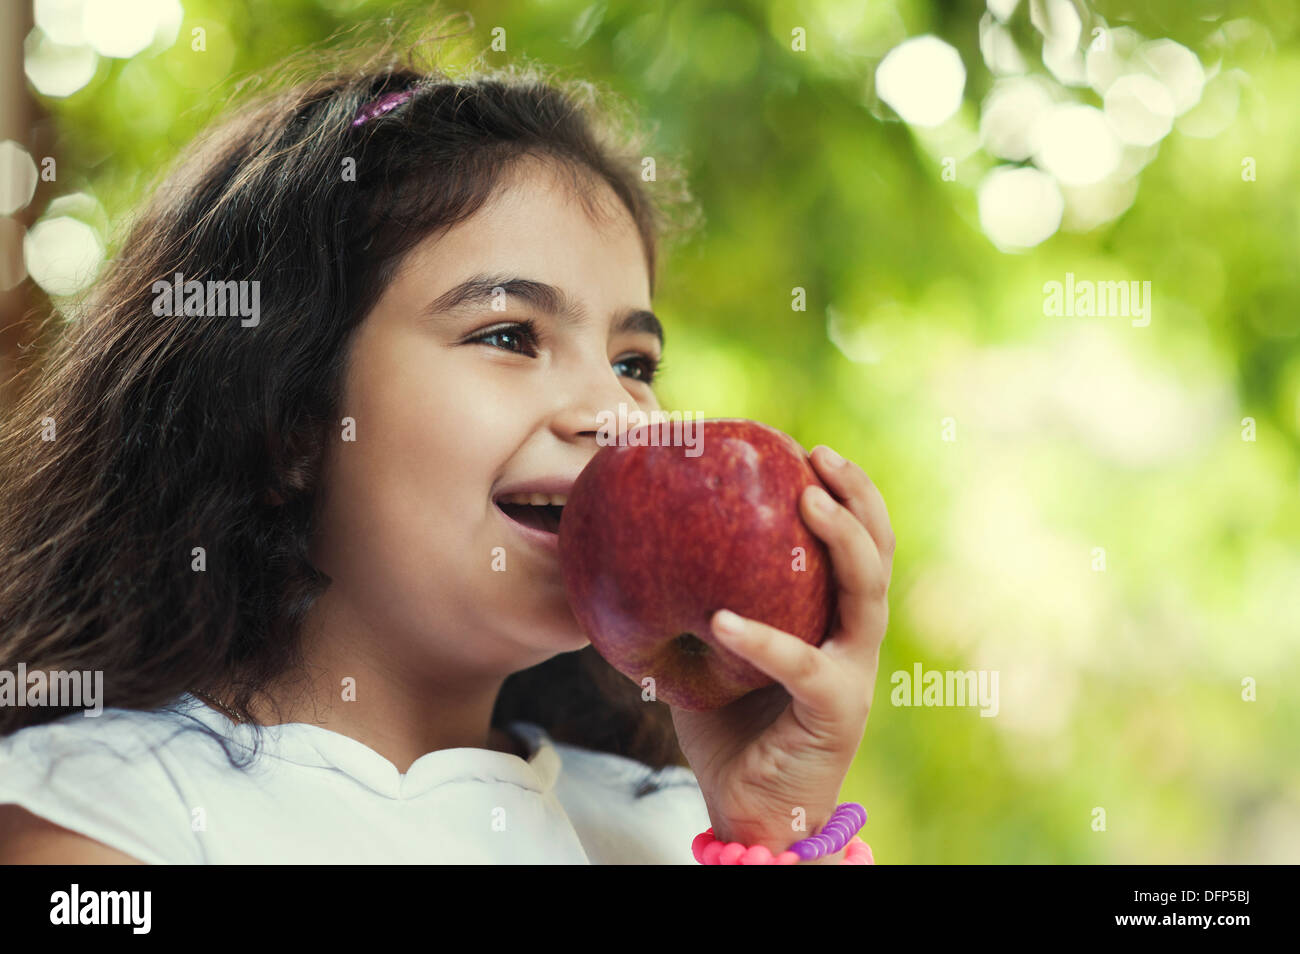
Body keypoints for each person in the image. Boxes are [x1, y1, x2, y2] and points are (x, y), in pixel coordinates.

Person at [0, 41, 893, 864]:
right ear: (292, 420)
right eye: (509, 334)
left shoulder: (669, 826)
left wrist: (777, 831)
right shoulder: (103, 811)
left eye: (634, 362)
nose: (614, 413)